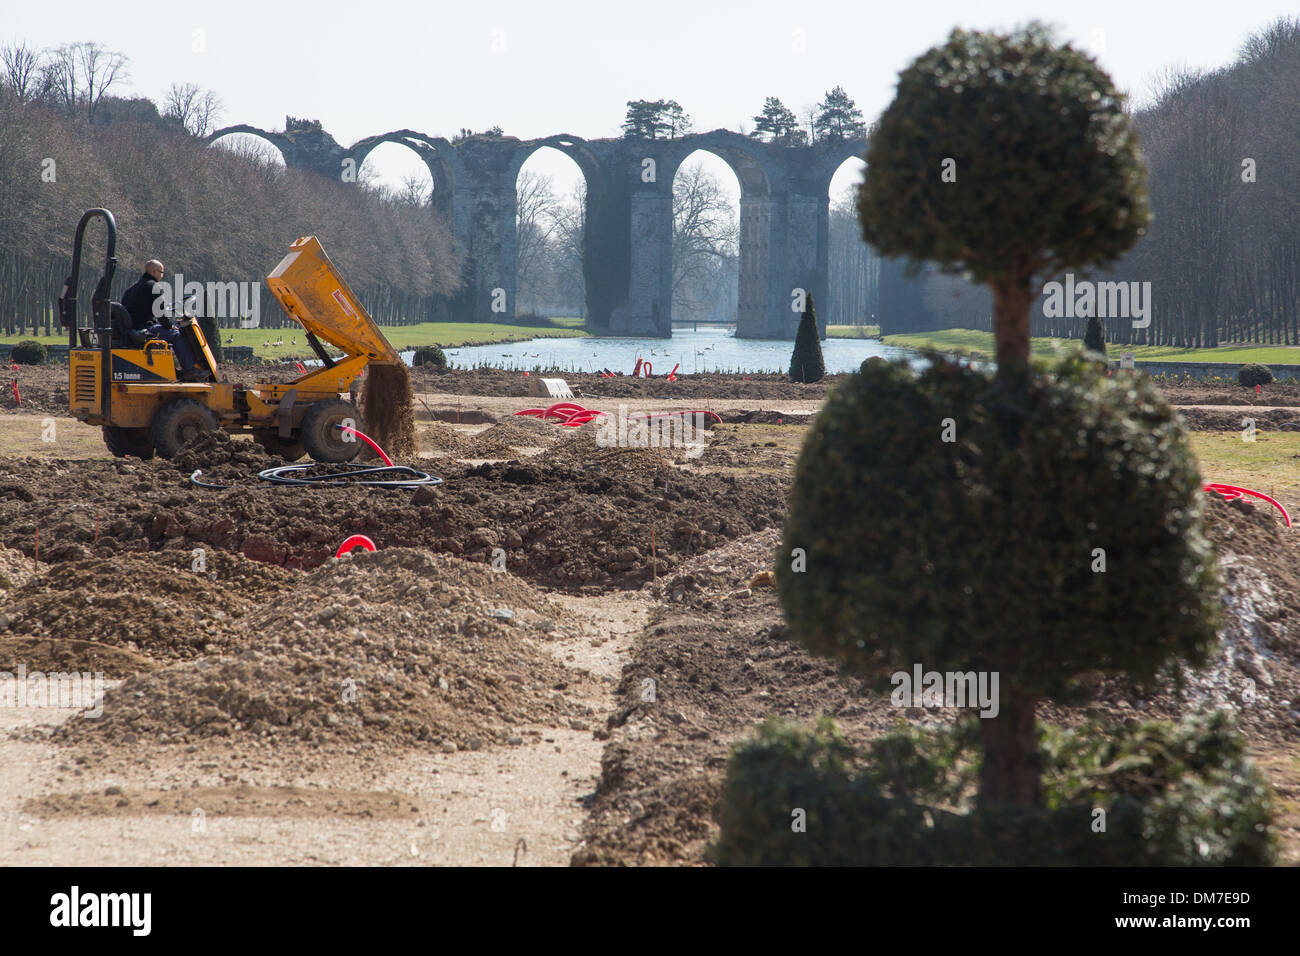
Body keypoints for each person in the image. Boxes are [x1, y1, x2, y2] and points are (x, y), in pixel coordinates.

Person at [120, 260, 206, 381]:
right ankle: (190, 370)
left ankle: (174, 371)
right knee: (176, 335)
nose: (162, 275)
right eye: (162, 272)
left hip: (133, 329)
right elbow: (160, 314)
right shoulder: (153, 287)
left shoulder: (130, 289)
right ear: (154, 271)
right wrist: (170, 326)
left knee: (168, 334)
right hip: (145, 328)